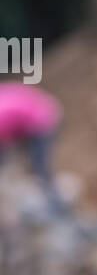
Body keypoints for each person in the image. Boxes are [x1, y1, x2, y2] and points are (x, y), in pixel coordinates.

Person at [0, 81, 67, 213]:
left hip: (42, 122)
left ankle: (56, 205)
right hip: (41, 111)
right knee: (30, 167)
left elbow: (4, 152)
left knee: (40, 168)